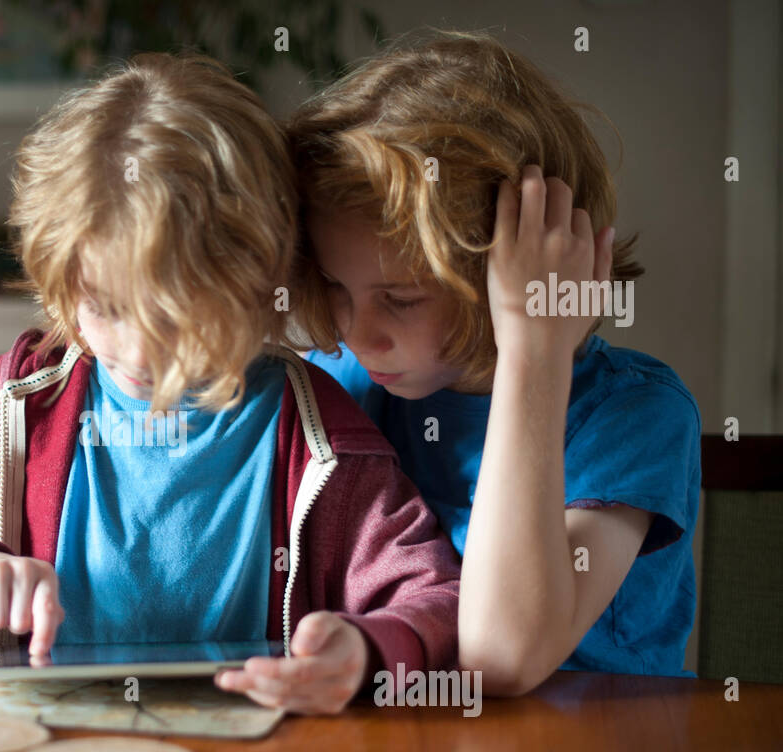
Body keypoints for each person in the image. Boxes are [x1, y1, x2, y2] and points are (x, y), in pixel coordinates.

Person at [0, 53, 461, 715]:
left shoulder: (320, 438)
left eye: (175, 316)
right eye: (105, 307)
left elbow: (440, 600)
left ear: (261, 281)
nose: (135, 351)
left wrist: (364, 651)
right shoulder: (20, 399)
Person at [289, 30, 701, 694]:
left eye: (400, 298)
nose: (357, 332)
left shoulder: (635, 414)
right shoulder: (339, 387)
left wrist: (532, 352)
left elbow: (499, 657)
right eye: (336, 288)